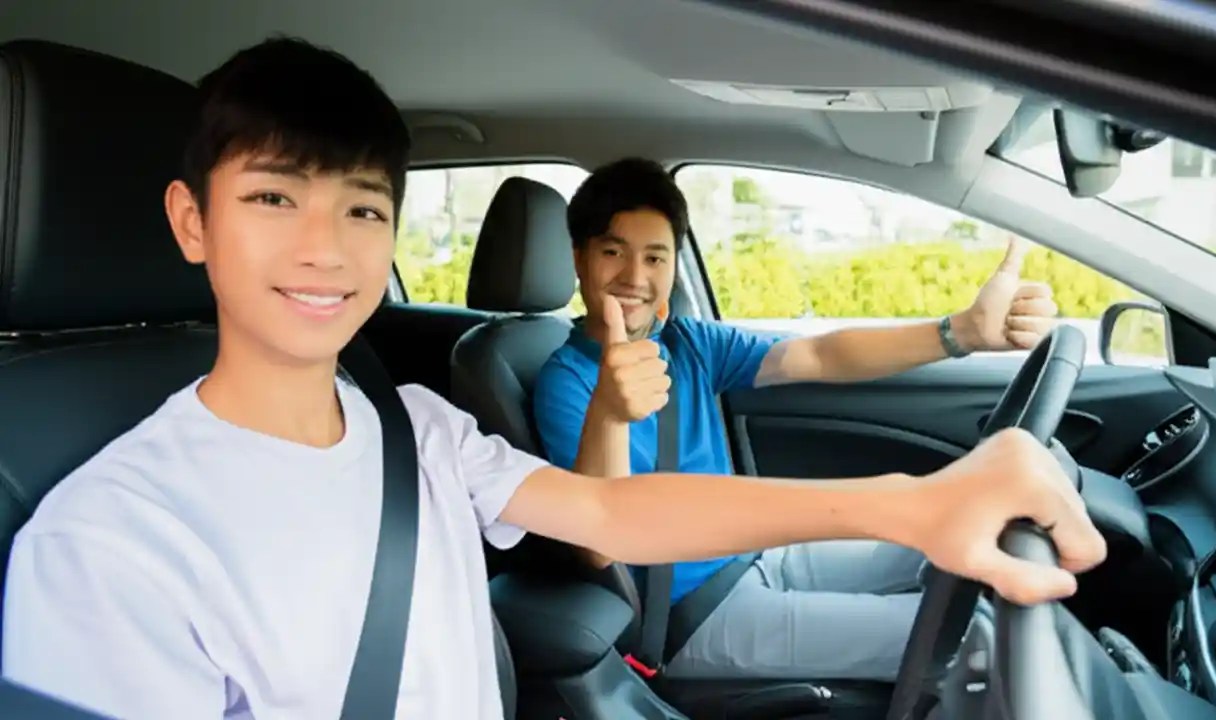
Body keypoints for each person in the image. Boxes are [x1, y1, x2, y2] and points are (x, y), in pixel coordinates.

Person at [0, 38, 1102, 720]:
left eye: (363, 209)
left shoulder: (416, 427)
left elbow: (605, 508)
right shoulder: (103, 544)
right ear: (191, 223)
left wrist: (916, 499)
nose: (324, 251)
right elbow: (599, 536)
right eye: (274, 199)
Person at [532, 157, 1063, 681]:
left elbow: (819, 356)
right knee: (972, 638)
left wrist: (962, 333)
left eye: (655, 258)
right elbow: (598, 545)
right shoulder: (565, 379)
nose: (634, 277)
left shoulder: (688, 343)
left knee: (955, 544)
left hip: (755, 553)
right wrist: (610, 412)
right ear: (579, 259)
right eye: (612, 252)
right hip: (690, 611)